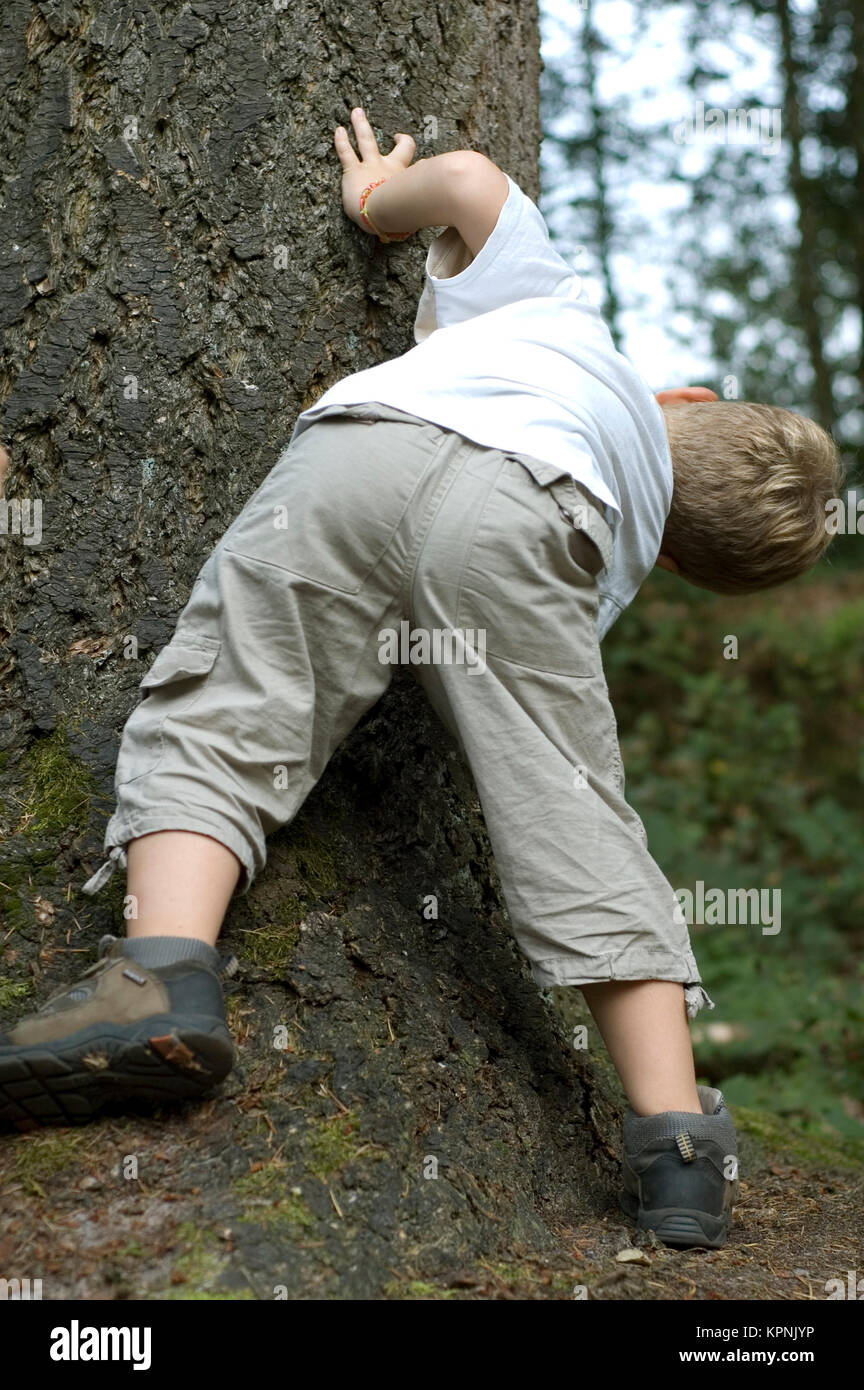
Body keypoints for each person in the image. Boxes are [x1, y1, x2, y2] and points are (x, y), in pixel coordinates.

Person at [0, 110, 842, 1250]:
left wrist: (376, 205)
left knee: (230, 702)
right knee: (578, 818)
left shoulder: (566, 322)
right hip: (537, 524)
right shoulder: (620, 552)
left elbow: (469, 180)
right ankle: (678, 1143)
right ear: (685, 559)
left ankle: (164, 967)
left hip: (364, 453)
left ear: (684, 401)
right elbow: (504, 689)